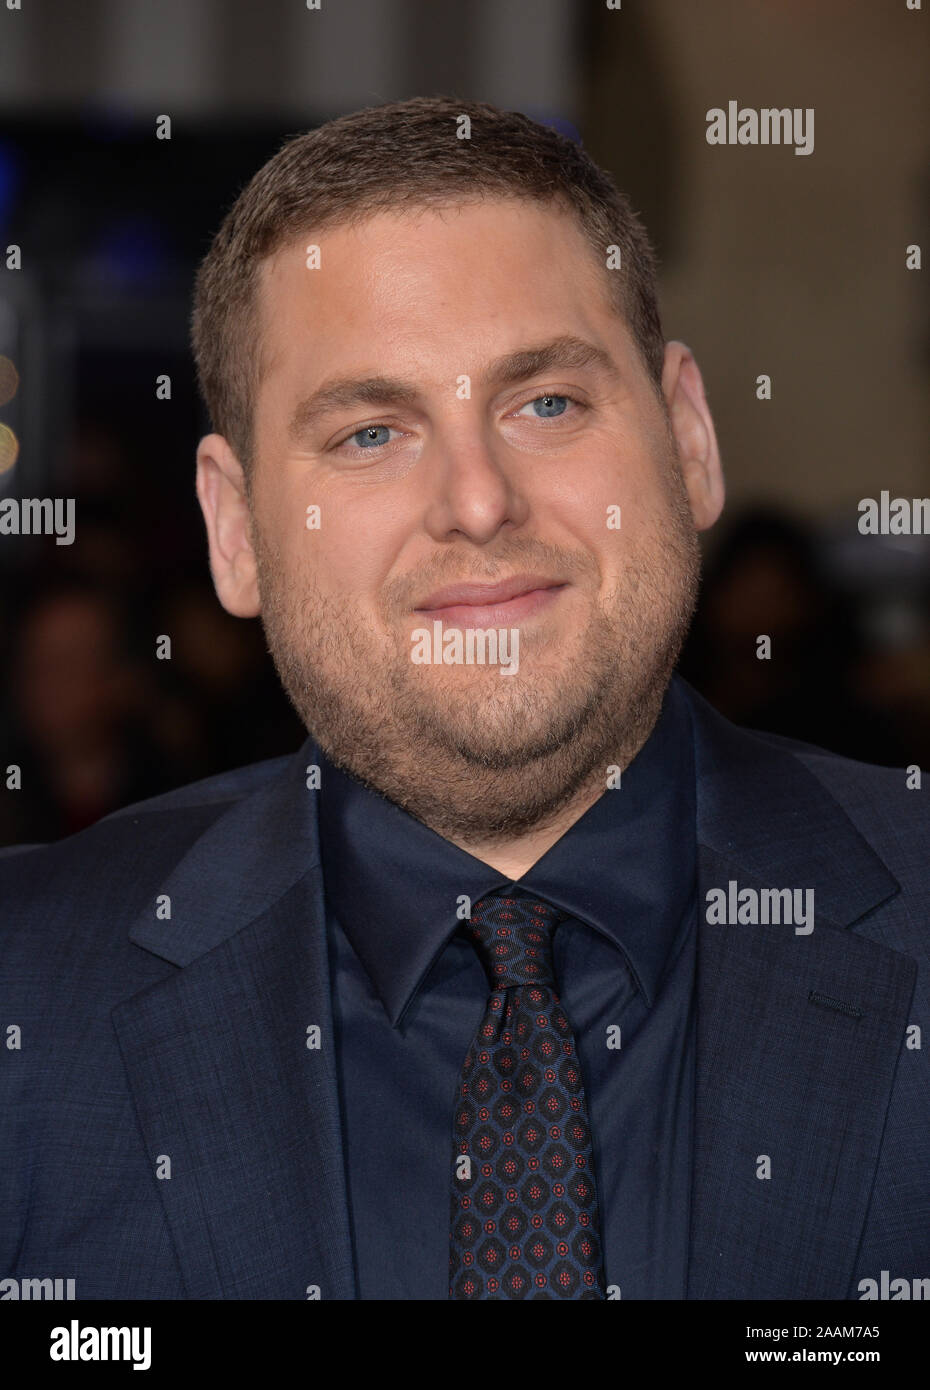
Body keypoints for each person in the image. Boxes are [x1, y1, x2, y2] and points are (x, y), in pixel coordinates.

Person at [2, 96, 927, 1301]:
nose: (479, 501)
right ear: (234, 529)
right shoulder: (26, 995)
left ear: (689, 438)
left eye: (546, 403)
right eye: (371, 433)